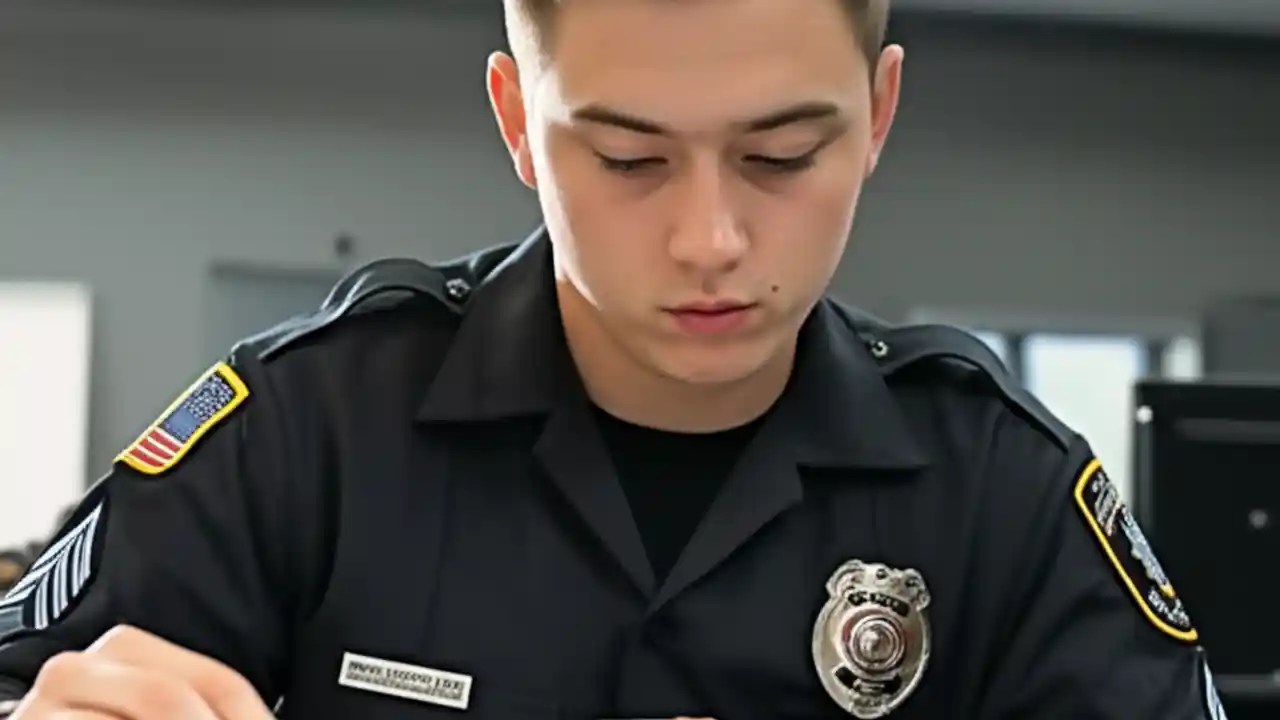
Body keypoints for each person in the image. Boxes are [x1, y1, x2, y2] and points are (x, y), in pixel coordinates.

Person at [0, 0, 1229, 718]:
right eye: (630, 161)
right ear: (516, 123)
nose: (710, 240)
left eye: (783, 156)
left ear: (880, 115)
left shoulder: (1003, 498)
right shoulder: (302, 434)